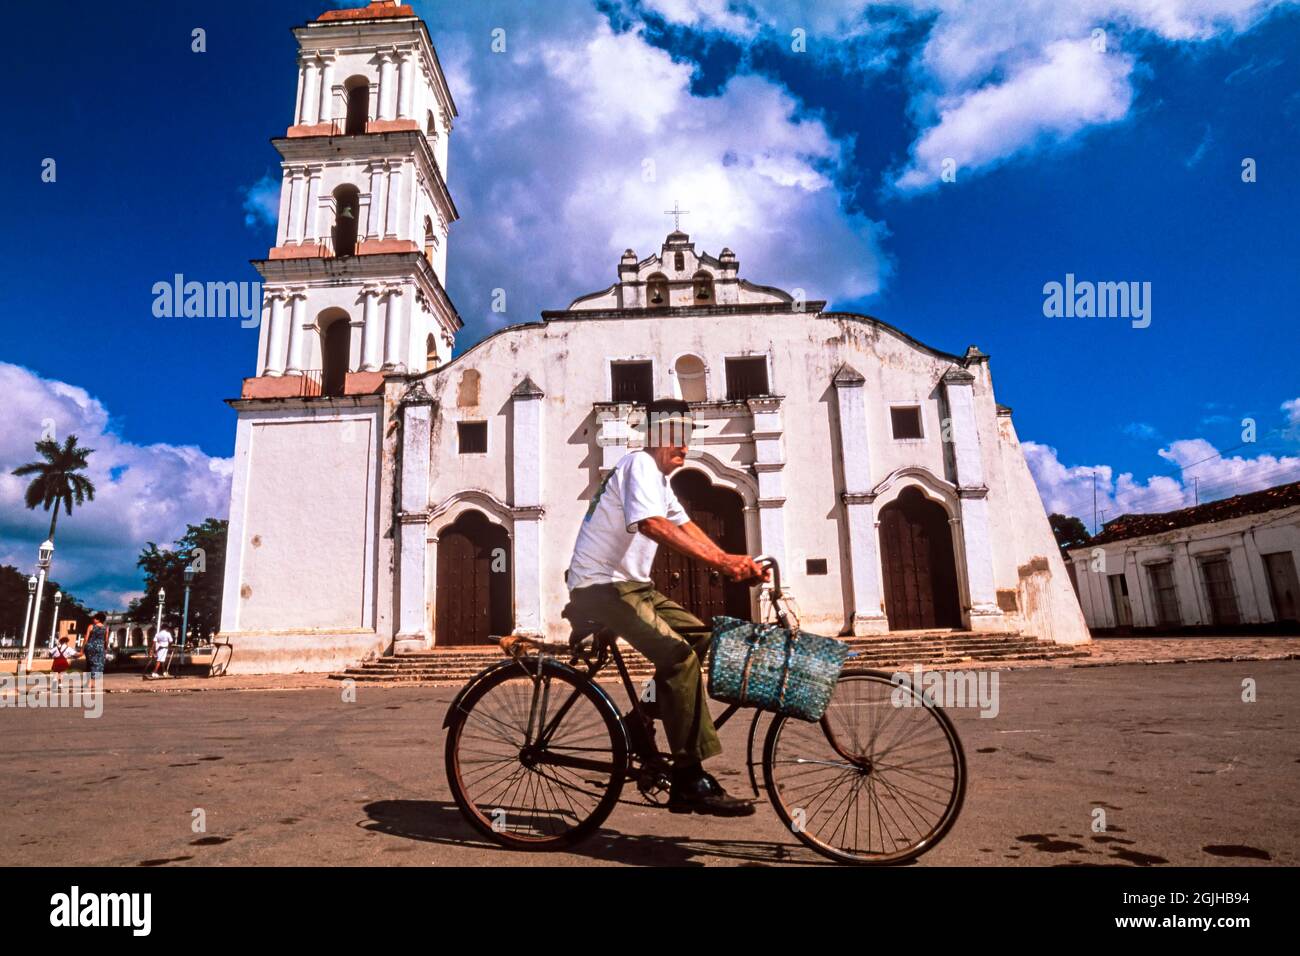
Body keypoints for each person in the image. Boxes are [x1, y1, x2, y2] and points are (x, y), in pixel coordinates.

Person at [564, 398, 766, 816]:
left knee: (703, 639)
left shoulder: (659, 480)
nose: (685, 448)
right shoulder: (638, 465)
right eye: (680, 437)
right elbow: (651, 525)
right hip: (601, 587)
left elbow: (684, 525)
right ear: (658, 436)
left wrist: (733, 563)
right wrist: (722, 563)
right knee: (678, 658)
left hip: (633, 587)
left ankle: (642, 717)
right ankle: (689, 778)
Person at [79, 612, 109, 693]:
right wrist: (105, 649)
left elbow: (86, 638)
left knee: (90, 664)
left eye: (94, 618)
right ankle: (93, 683)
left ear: (98, 619)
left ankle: (88, 683)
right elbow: (106, 640)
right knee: (98, 665)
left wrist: (82, 649)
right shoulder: (105, 628)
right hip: (100, 648)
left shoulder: (91, 626)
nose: (93, 619)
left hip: (90, 647)